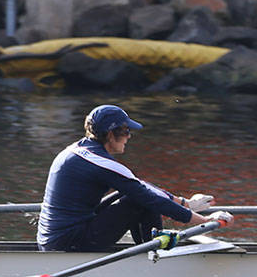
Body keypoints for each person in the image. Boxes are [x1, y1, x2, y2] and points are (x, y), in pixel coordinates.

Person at [37, 104, 229, 252]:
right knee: (140, 200)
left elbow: (141, 187)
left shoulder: (74, 150)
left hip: (55, 238)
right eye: (126, 131)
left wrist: (185, 204)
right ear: (111, 134)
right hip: (68, 243)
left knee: (137, 192)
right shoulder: (102, 164)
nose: (129, 136)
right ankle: (154, 250)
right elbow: (149, 198)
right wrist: (205, 220)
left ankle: (153, 243)